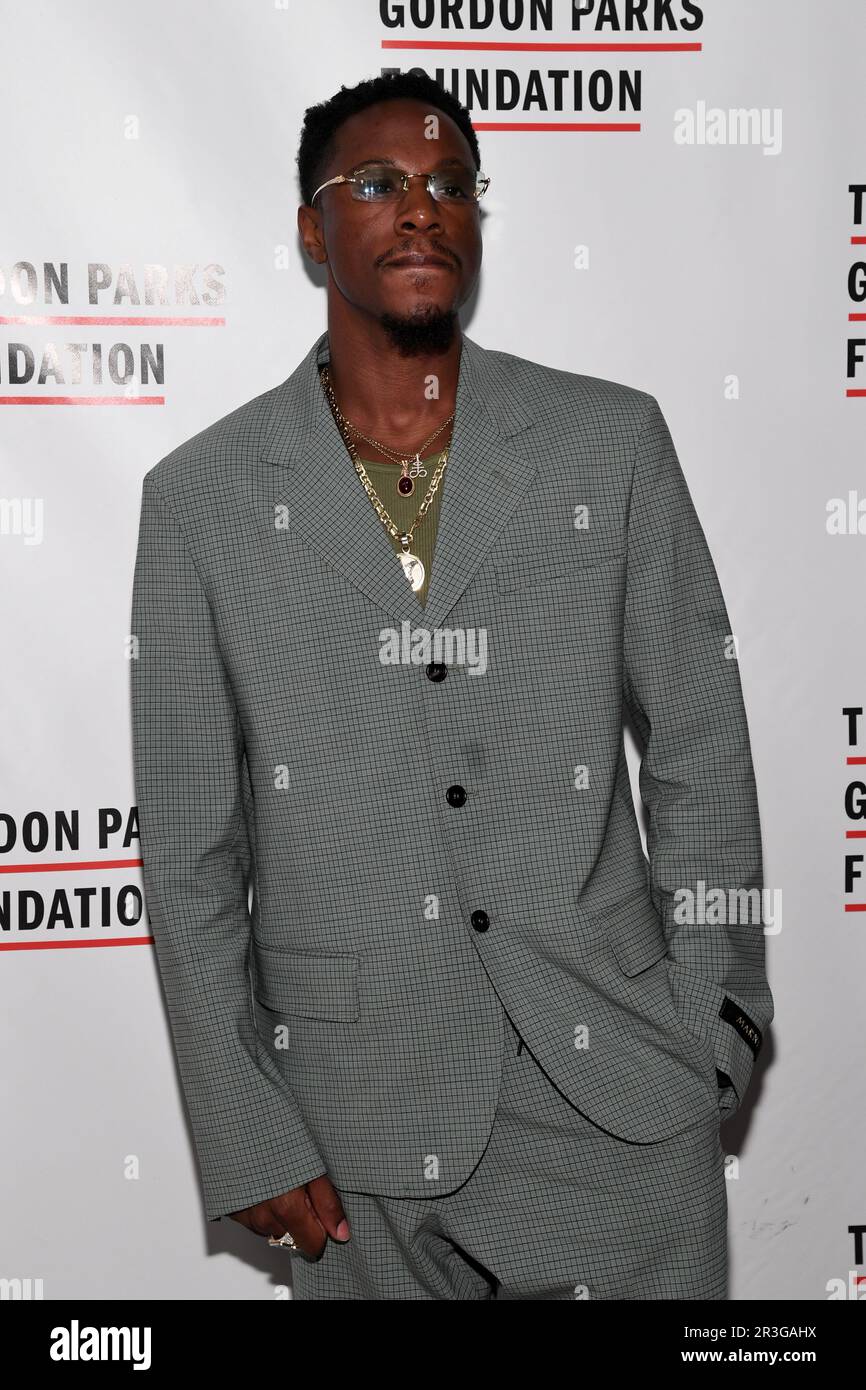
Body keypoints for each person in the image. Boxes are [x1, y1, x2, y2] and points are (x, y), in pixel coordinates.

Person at [130, 70, 773, 1300]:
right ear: (312, 231)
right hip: (350, 1126)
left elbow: (699, 743)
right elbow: (187, 851)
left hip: (618, 1094)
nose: (420, 207)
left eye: (449, 183)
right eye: (375, 183)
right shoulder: (200, 500)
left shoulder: (607, 441)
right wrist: (245, 1120)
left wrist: (719, 1014)